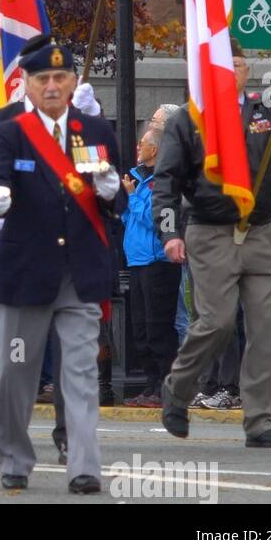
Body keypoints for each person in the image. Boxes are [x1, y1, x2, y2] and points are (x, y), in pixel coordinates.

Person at [0, 41, 122, 493]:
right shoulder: (10, 131)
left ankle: (84, 467)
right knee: (15, 375)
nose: (53, 86)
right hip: (26, 273)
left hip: (80, 274)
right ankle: (15, 458)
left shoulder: (95, 130)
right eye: (43, 79)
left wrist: (113, 191)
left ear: (74, 81)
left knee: (79, 374)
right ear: (28, 84)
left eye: (61, 78)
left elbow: (116, 200)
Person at [153, 39, 271, 448]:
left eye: (239, 63)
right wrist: (170, 232)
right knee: (217, 322)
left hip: (262, 230)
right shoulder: (190, 120)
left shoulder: (262, 111)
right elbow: (167, 180)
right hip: (212, 231)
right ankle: (179, 388)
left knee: (264, 328)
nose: (234, 69)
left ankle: (260, 420)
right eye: (226, 63)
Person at [120, 124, 181, 407]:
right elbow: (127, 219)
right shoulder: (135, 177)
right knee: (140, 328)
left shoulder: (161, 181)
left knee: (158, 327)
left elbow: (157, 221)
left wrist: (132, 198)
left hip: (158, 261)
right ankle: (149, 383)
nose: (137, 148)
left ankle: (165, 384)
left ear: (154, 149)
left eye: (141, 144)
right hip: (136, 261)